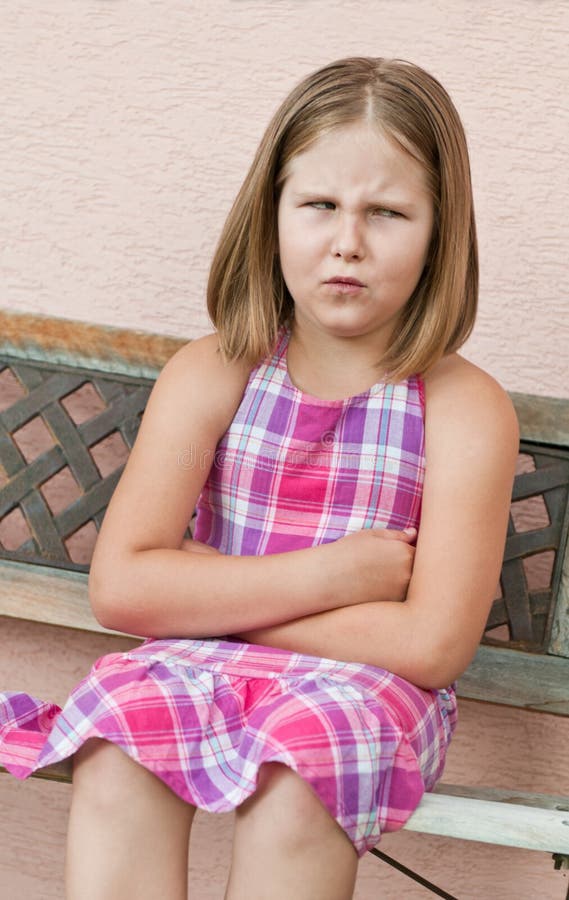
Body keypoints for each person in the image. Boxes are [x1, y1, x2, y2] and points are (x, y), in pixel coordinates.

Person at [0, 57, 519, 900]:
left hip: (362, 694)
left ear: (439, 232)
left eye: (387, 213)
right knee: (119, 740)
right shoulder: (215, 372)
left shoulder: (463, 408)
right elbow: (123, 590)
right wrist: (333, 577)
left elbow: (429, 645)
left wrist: (209, 596)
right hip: (196, 665)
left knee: (299, 776)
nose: (347, 242)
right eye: (318, 205)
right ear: (270, 214)